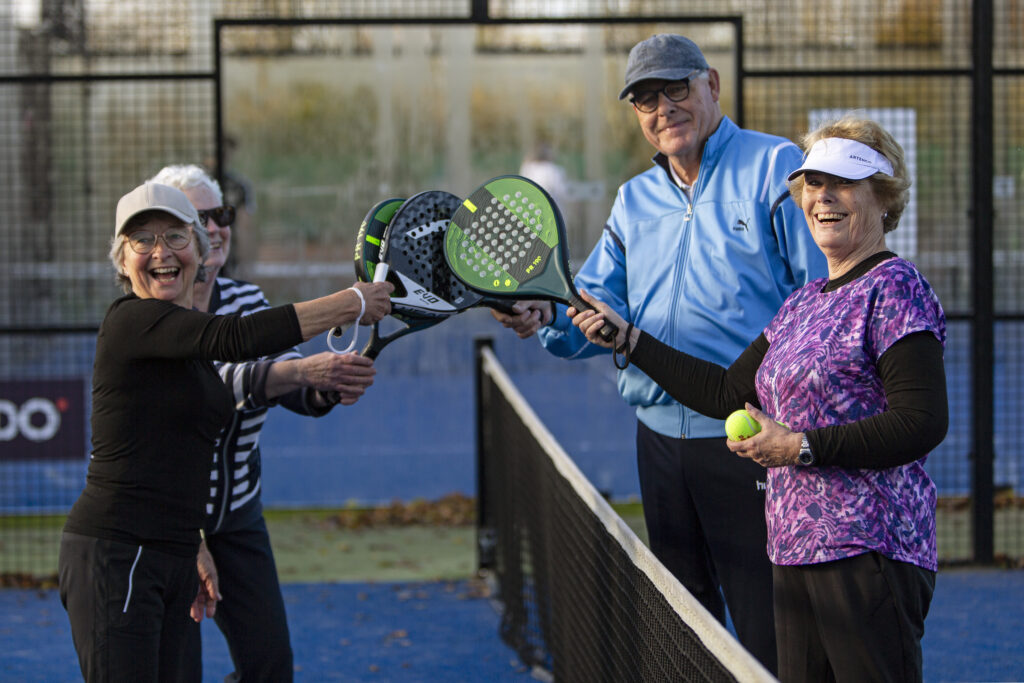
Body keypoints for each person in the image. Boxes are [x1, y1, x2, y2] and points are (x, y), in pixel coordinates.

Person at [569, 116, 947, 683]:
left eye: (842, 183)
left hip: (870, 547)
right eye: (813, 185)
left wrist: (799, 446)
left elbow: (922, 422)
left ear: (884, 196)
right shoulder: (802, 303)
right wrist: (629, 339)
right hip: (793, 550)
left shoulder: (896, 286)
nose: (823, 198)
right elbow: (725, 392)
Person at [492, 33, 827, 671]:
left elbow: (813, 303)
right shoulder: (633, 200)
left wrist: (784, 417)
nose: (663, 108)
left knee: (766, 631)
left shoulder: (775, 167)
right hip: (658, 443)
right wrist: (546, 317)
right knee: (683, 623)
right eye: (646, 98)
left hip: (750, 439)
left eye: (677, 88)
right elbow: (590, 305)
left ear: (712, 87)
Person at [57, 182, 392, 682]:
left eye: (175, 237)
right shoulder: (131, 321)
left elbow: (176, 455)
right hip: (117, 553)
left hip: (172, 555)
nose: (161, 252)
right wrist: (353, 303)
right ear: (122, 262)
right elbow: (236, 338)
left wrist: (192, 546)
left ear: (198, 249)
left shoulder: (183, 337)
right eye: (141, 241)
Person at [148, 163, 377, 682]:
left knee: (270, 668)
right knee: (174, 673)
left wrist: (328, 384)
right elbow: (223, 384)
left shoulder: (249, 301)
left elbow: (291, 386)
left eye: (221, 214)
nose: (215, 227)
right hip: (171, 526)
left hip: (239, 519)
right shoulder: (151, 316)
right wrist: (301, 369)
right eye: (197, 217)